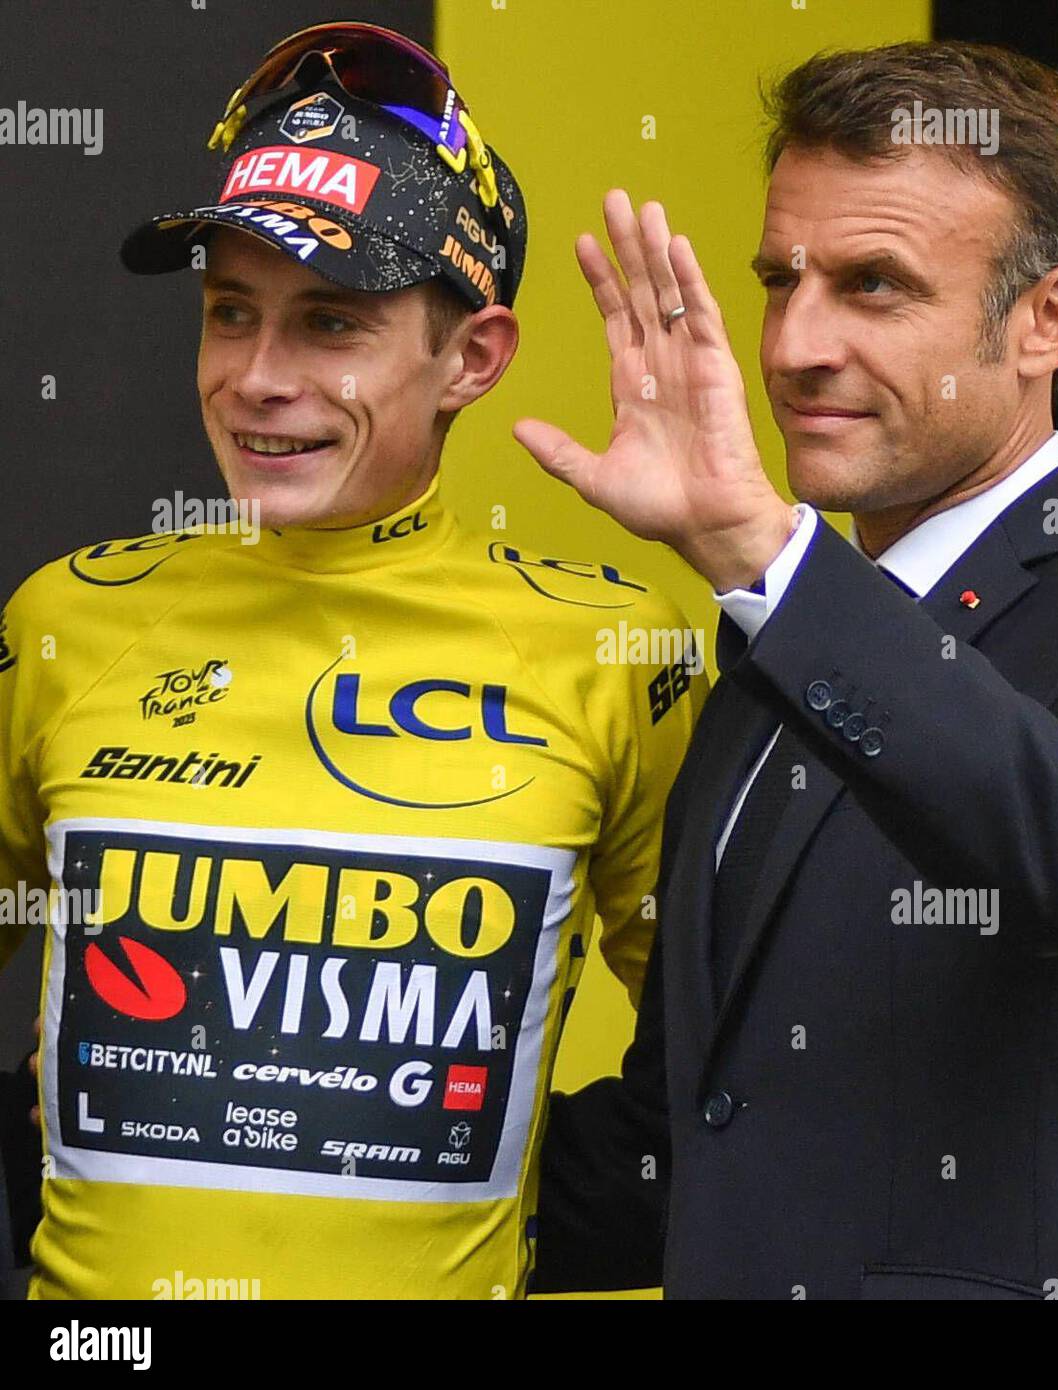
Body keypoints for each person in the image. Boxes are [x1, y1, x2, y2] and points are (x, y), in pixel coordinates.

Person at [523, 41, 1058, 1299]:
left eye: (873, 286)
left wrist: (761, 556)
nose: (795, 344)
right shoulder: (776, 638)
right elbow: (689, 1155)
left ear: (1048, 318)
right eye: (783, 280)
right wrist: (288, 1159)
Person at [0, 22, 702, 1299]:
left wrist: (518, 1210)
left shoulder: (614, 647)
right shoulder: (64, 618)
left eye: (331, 324)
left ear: (471, 359)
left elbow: (738, 1069)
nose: (258, 379)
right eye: (230, 314)